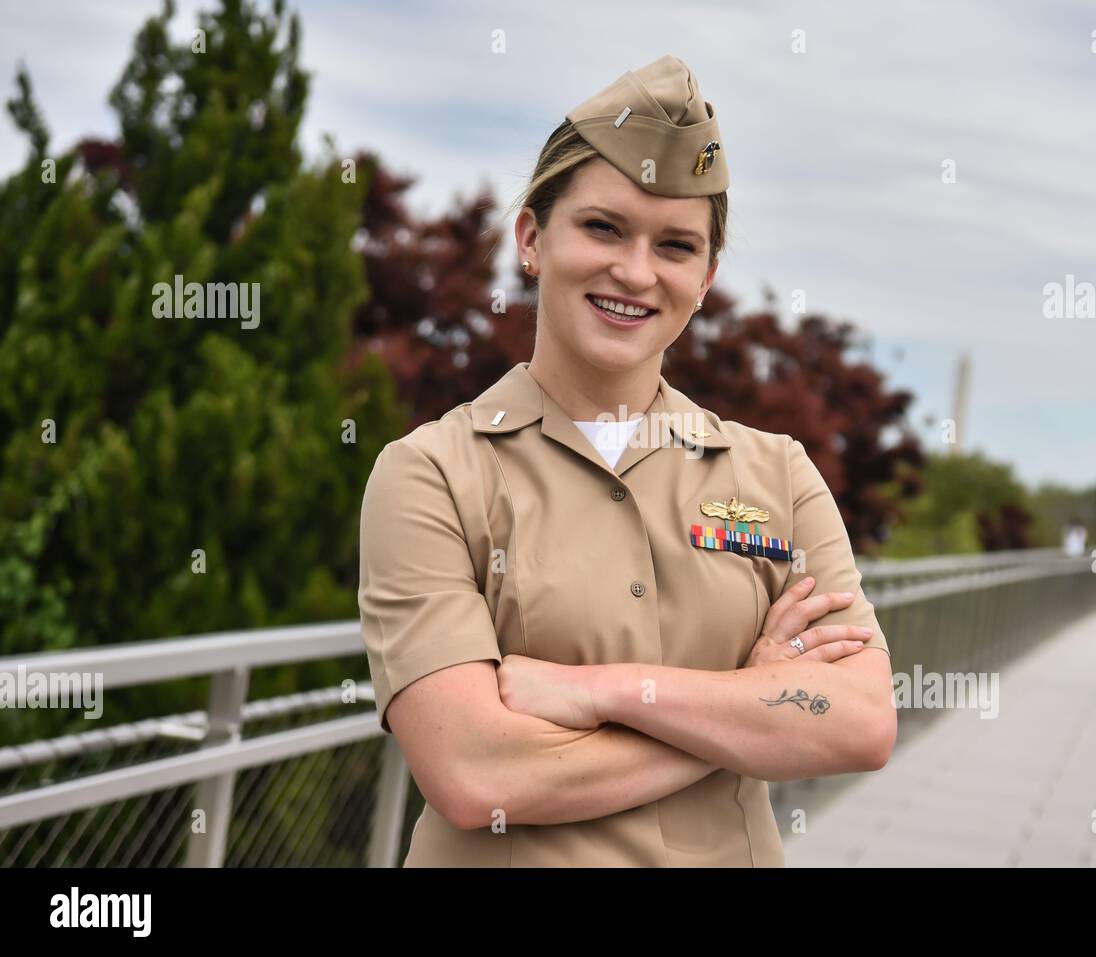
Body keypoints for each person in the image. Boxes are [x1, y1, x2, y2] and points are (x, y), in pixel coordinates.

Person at [358, 54, 895, 867]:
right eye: (603, 227)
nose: (635, 273)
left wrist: (597, 690)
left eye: (675, 246)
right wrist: (752, 717)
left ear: (706, 278)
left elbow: (859, 721)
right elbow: (474, 772)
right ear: (533, 239)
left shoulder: (779, 474)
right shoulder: (431, 474)